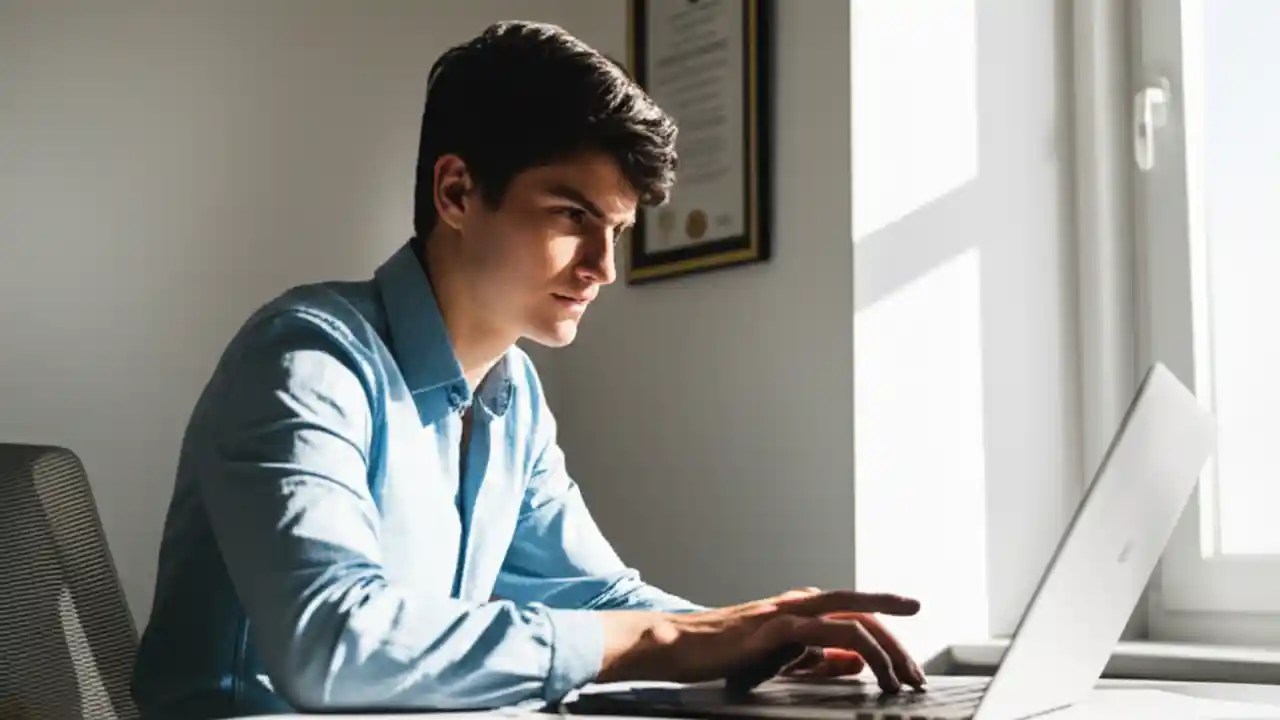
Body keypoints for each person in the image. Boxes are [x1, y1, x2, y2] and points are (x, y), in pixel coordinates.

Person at [130, 20, 924, 718]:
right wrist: (664, 638)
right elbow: (332, 643)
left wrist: (755, 635)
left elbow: (600, 599)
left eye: (613, 229)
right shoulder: (304, 359)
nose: (601, 268)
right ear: (457, 191)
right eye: (573, 216)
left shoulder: (513, 396)